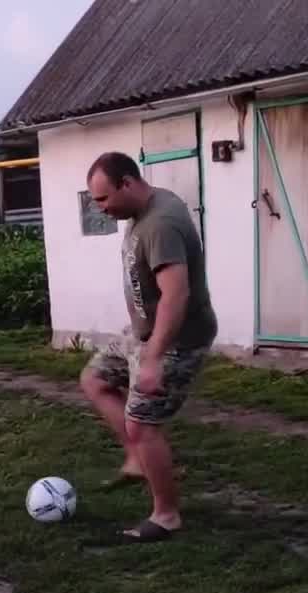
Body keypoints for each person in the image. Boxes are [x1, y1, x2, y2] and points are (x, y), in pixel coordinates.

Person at [79, 152, 218, 543]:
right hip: (143, 333)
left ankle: (166, 515)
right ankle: (138, 461)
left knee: (142, 423)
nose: (100, 208)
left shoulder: (160, 223)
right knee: (95, 379)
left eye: (104, 199)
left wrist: (154, 358)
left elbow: (176, 296)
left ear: (127, 183)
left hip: (175, 339)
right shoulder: (142, 210)